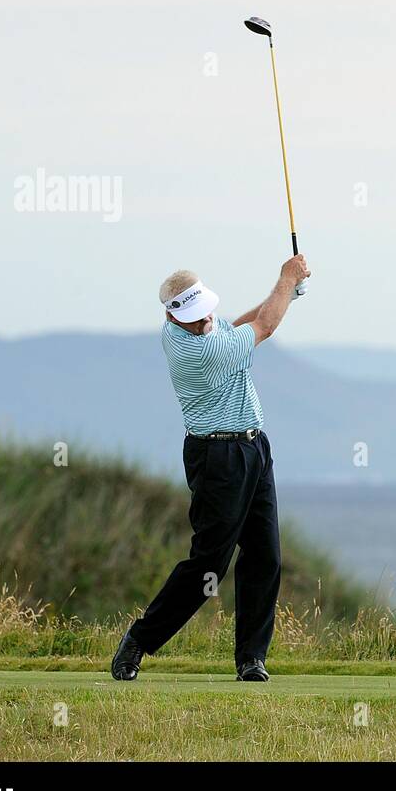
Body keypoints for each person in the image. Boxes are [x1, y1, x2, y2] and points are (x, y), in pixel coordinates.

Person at [111, 255, 311, 682]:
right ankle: (139, 641)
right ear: (171, 316)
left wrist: (286, 294)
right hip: (218, 458)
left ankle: (251, 659)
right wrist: (285, 279)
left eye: (206, 314)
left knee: (266, 556)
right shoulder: (199, 352)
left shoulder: (204, 324)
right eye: (195, 318)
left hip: (254, 448)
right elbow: (264, 328)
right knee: (208, 565)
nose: (205, 322)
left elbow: (241, 323)